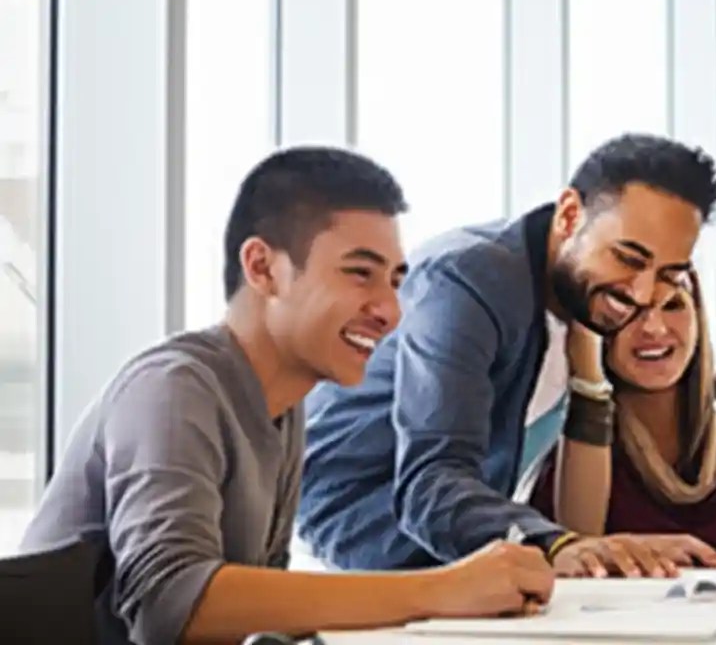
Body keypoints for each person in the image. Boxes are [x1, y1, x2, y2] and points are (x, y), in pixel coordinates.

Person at [21, 148, 556, 645]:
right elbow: (168, 603)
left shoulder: (283, 406)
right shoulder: (174, 388)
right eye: (359, 274)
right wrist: (440, 590)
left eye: (394, 280)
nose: (391, 310)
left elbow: (258, 603)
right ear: (261, 268)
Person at [299, 133, 716, 576]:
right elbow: (430, 485)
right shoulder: (468, 283)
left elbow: (567, 516)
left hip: (452, 552)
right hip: (365, 541)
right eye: (628, 258)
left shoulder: (582, 304)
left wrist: (596, 550)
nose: (643, 294)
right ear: (568, 215)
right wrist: (553, 544)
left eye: (669, 275)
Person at [528, 271, 716, 570]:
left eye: (673, 305)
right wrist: (588, 376)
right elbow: (576, 553)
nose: (654, 328)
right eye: (629, 310)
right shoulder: (563, 431)